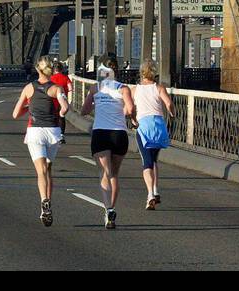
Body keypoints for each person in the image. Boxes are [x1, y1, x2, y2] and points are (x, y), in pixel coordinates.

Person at [12, 56, 68, 227]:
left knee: (41, 171)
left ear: (37, 69)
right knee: (48, 168)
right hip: (53, 131)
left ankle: (44, 202)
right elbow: (65, 107)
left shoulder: (28, 88)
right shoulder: (56, 88)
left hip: (35, 131)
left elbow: (15, 114)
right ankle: (48, 200)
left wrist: (30, 107)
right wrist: (60, 113)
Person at [81, 56, 134, 229]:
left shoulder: (95, 88)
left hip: (101, 133)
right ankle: (111, 208)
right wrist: (130, 116)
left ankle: (108, 209)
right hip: (119, 134)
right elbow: (130, 109)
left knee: (104, 173)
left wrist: (97, 104)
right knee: (114, 175)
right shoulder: (123, 88)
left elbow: (84, 110)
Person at [133, 58, 174, 209]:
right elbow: (168, 103)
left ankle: (150, 194)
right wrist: (172, 113)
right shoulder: (159, 88)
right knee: (154, 159)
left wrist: (131, 119)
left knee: (147, 162)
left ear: (141, 73)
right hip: (158, 126)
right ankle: (156, 190)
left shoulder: (135, 89)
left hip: (144, 126)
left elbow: (129, 108)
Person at [49, 60, 73, 133]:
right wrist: (70, 101)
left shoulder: (51, 78)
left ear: (53, 69)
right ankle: (62, 134)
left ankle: (53, 133)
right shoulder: (66, 78)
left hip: (52, 100)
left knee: (53, 117)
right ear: (61, 69)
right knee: (61, 116)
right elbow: (70, 88)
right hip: (63, 100)